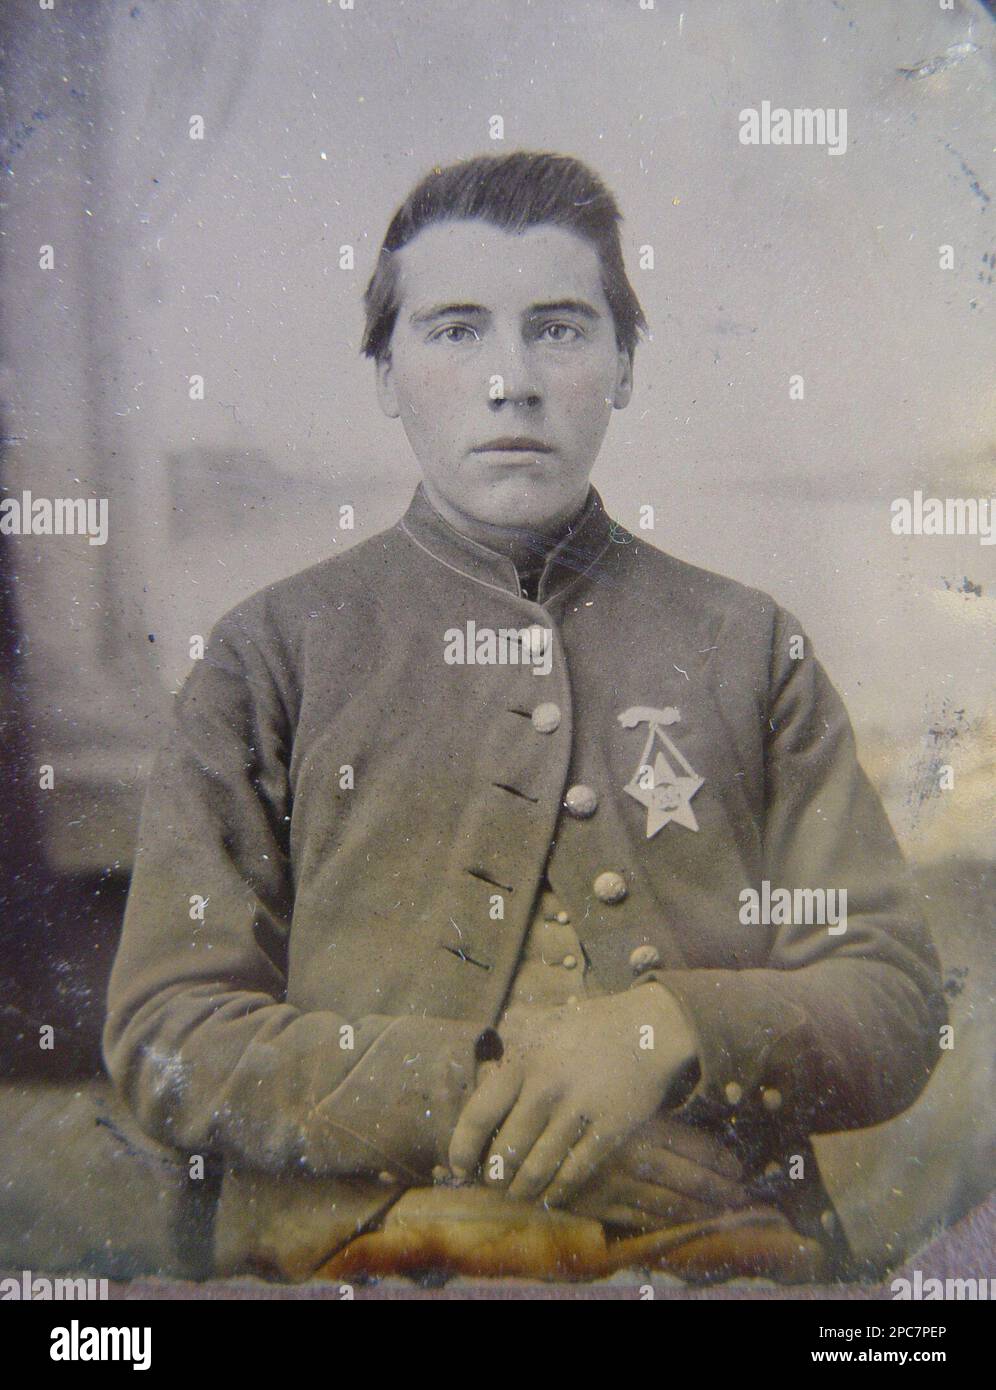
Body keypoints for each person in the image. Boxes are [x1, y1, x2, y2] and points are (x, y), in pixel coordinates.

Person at [104, 151, 946, 1283]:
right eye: (455, 331)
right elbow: (166, 1033)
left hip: (720, 1266)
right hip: (353, 1267)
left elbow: (891, 996)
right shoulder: (271, 655)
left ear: (625, 365)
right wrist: (502, 1105)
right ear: (387, 374)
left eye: (559, 328)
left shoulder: (747, 646)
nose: (513, 381)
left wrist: (664, 1031)